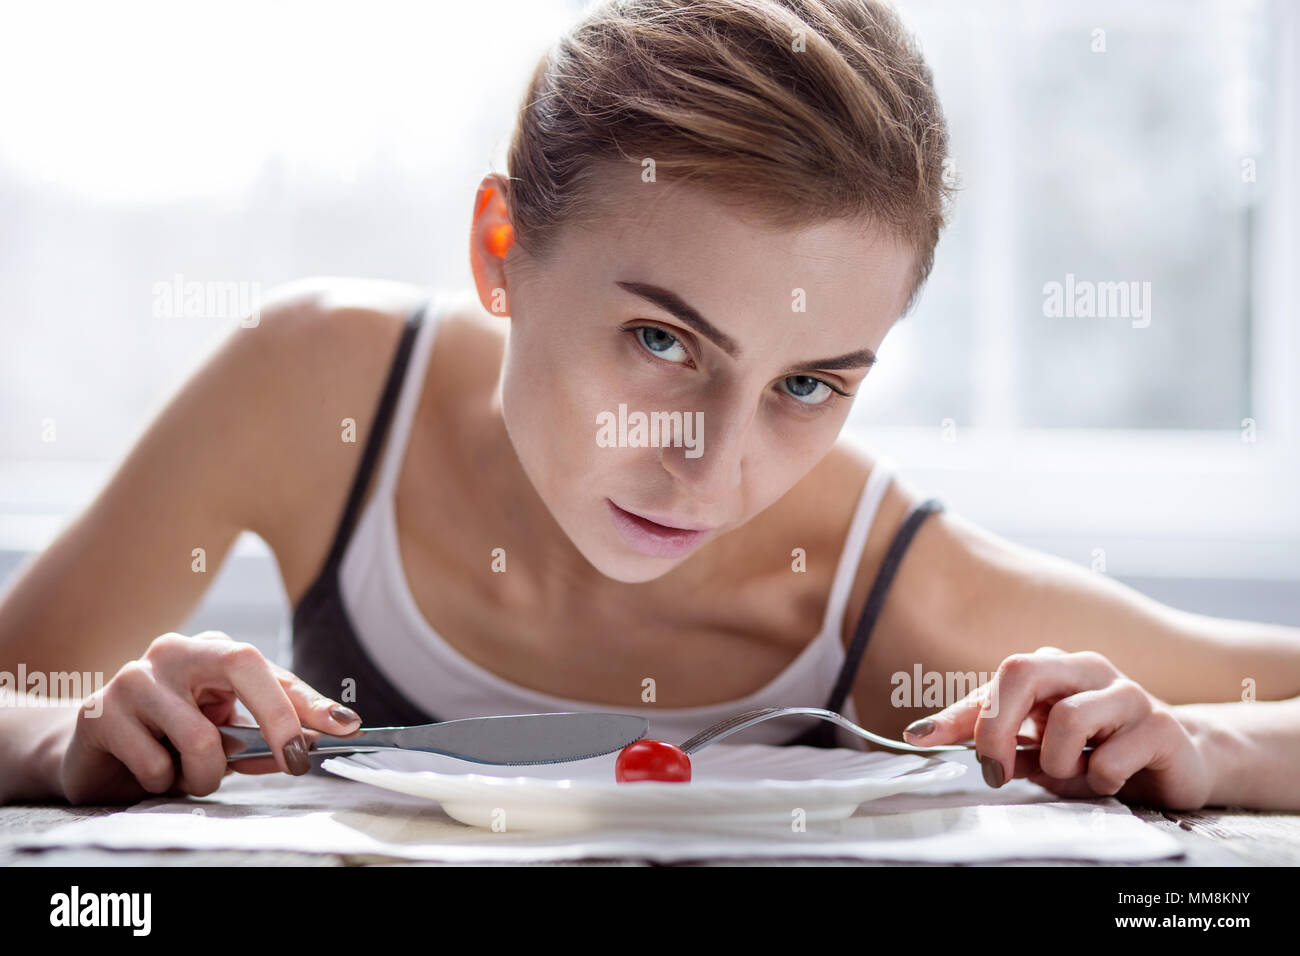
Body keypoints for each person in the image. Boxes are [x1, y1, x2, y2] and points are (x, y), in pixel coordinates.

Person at [2, 0, 1298, 811]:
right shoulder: (311, 388)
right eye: (663, 341)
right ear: (501, 249)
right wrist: (69, 738)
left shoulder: (895, 590)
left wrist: (1203, 750)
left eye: (807, 384)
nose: (713, 470)